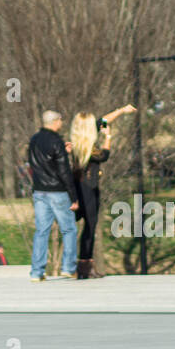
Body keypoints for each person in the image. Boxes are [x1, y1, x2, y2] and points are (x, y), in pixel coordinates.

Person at [69, 104, 136, 279]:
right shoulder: (84, 147)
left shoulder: (78, 140)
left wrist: (121, 110)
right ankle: (83, 266)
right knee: (89, 228)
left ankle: (83, 265)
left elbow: (104, 120)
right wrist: (108, 137)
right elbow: (103, 156)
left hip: (83, 187)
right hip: (87, 189)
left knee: (86, 229)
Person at [28, 109, 79, 282]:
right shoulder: (57, 141)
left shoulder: (34, 140)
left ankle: (37, 271)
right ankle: (68, 267)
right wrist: (74, 196)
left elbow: (39, 163)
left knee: (42, 231)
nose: (62, 123)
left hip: (39, 190)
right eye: (61, 120)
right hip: (57, 191)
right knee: (69, 229)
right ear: (55, 121)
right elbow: (64, 171)